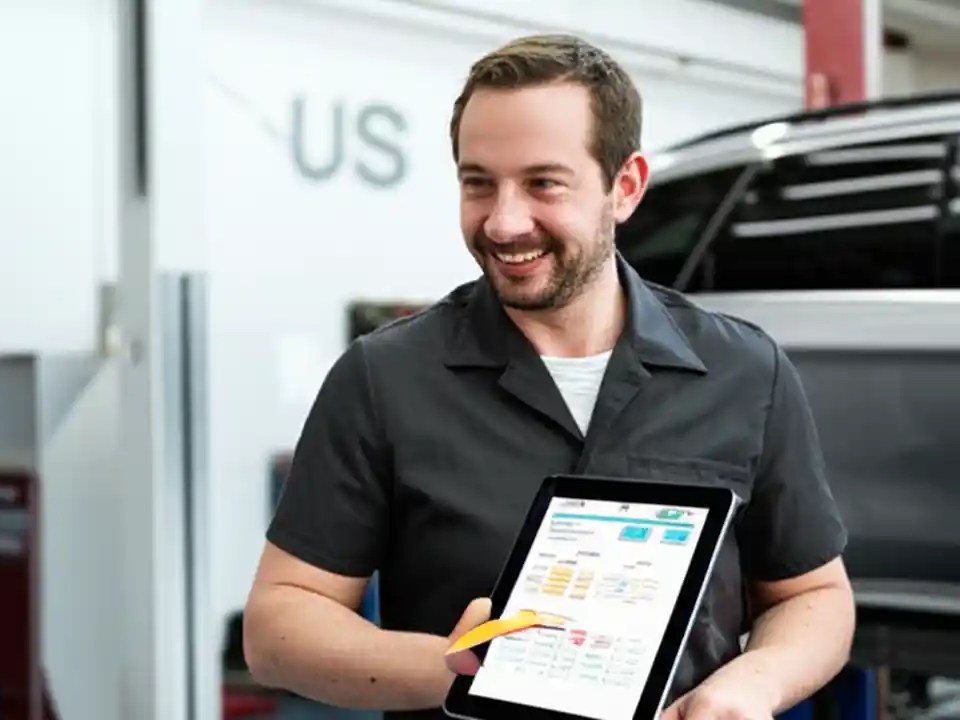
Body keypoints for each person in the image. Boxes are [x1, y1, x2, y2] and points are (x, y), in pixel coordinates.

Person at [243, 33, 855, 720]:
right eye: (478, 183)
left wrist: (752, 685)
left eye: (543, 184)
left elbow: (813, 595)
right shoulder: (383, 378)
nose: (504, 222)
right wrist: (459, 666)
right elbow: (278, 628)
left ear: (624, 187)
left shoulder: (744, 371)